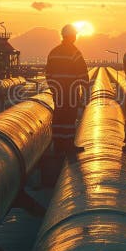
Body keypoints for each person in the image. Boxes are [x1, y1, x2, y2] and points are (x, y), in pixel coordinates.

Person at [45, 24, 89, 154]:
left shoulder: (53, 52)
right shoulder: (74, 52)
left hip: (58, 93)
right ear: (73, 37)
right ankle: (69, 146)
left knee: (58, 118)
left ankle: (58, 147)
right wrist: (85, 90)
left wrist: (54, 89)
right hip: (71, 92)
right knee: (69, 119)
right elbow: (83, 74)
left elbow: (48, 74)